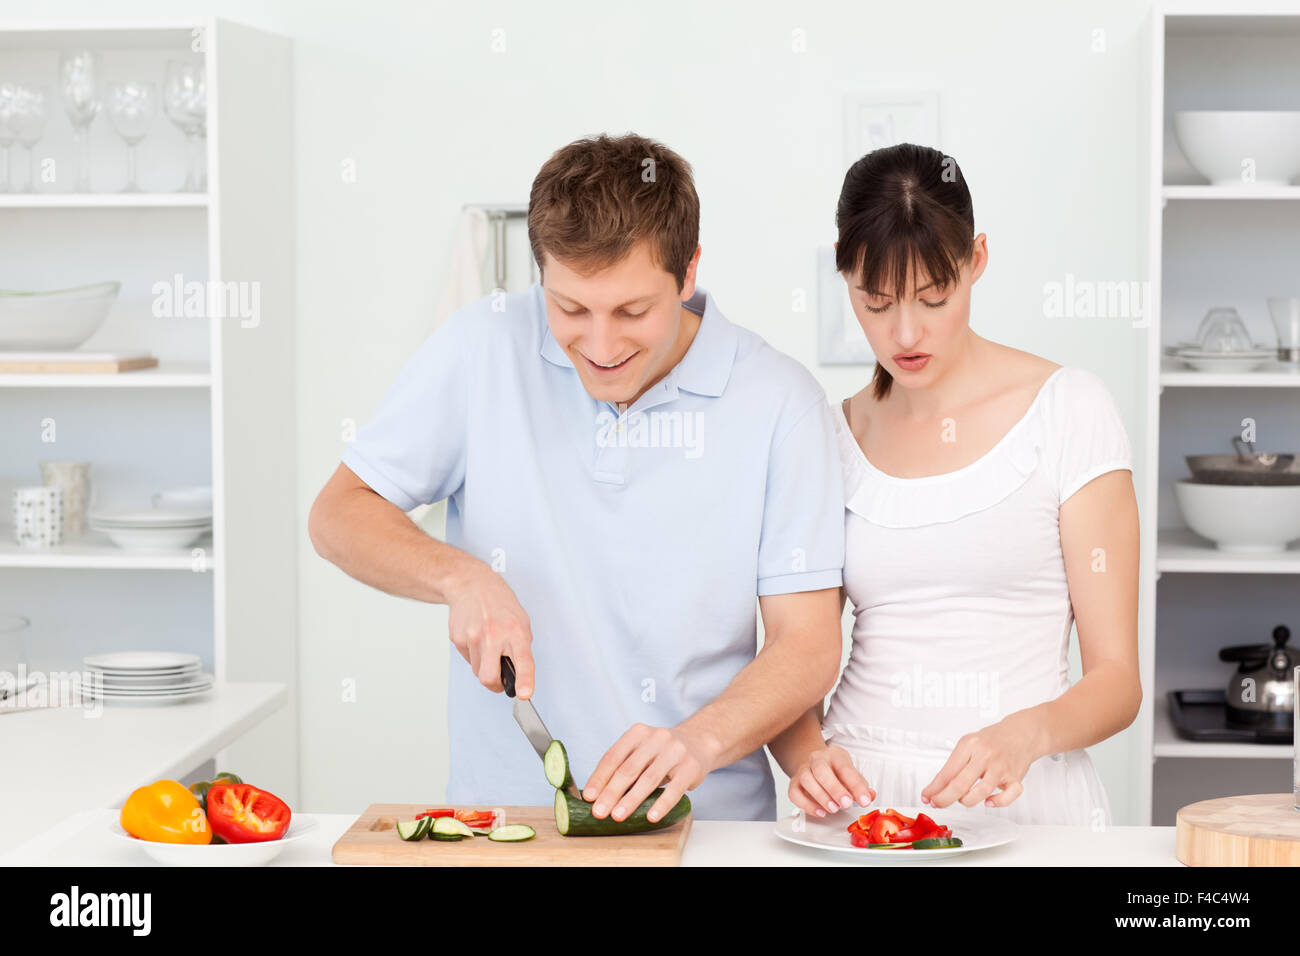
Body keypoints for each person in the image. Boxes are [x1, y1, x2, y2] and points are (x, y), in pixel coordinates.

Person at [308, 132, 845, 821]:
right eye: (569, 310)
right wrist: (462, 577)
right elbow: (338, 513)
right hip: (505, 828)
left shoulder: (780, 403)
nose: (600, 346)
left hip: (710, 834)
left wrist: (697, 743)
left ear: (688, 274)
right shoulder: (482, 348)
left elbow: (807, 646)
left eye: (632, 311)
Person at [769, 143, 1141, 826]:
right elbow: (792, 658)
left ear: (977, 261)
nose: (904, 332)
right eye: (875, 302)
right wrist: (805, 756)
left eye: (934, 298)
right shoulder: (827, 435)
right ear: (843, 271)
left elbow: (1117, 682)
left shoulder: (1069, 411)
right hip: (858, 804)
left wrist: (1026, 734)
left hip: (1021, 794)